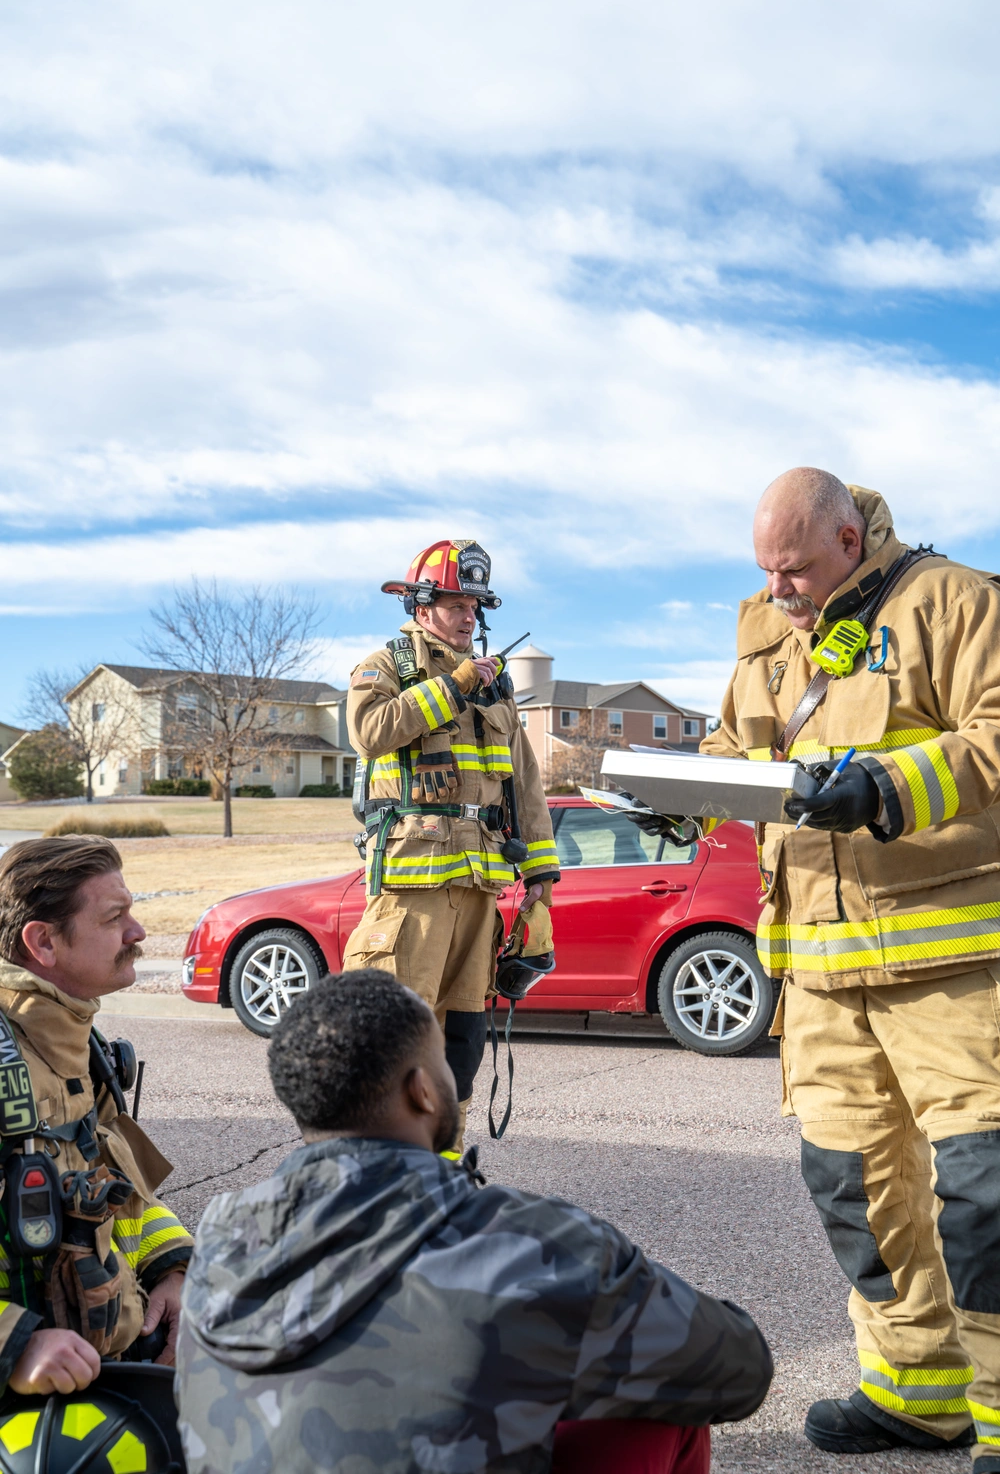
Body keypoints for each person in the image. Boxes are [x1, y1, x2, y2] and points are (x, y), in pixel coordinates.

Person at [176, 969, 772, 1473]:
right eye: (442, 1059)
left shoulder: (220, 1238)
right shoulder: (526, 1242)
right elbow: (740, 1369)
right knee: (659, 1400)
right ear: (421, 1091)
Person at [704, 466, 1000, 1464]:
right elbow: (731, 749)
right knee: (854, 1192)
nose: (777, 589)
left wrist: (883, 784)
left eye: (791, 569)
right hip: (821, 972)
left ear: (845, 538)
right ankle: (917, 1393)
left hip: (955, 964)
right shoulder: (764, 633)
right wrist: (682, 794)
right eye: (765, 570)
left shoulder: (953, 603)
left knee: (988, 1198)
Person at [345, 539, 559, 1152]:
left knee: (462, 1043)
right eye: (455, 604)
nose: (469, 616)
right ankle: (382, 1171)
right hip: (414, 883)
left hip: (480, 886)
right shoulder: (387, 666)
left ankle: (442, 1164)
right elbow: (369, 731)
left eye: (474, 606)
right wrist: (455, 686)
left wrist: (540, 880)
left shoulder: (496, 687)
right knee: (396, 1038)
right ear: (420, 606)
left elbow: (525, 784)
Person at [0, 836, 192, 1399]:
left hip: (109, 1373)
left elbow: (126, 1195)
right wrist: (15, 1345)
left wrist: (173, 1269)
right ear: (43, 942)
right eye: (114, 918)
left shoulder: (82, 1049)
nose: (138, 932)